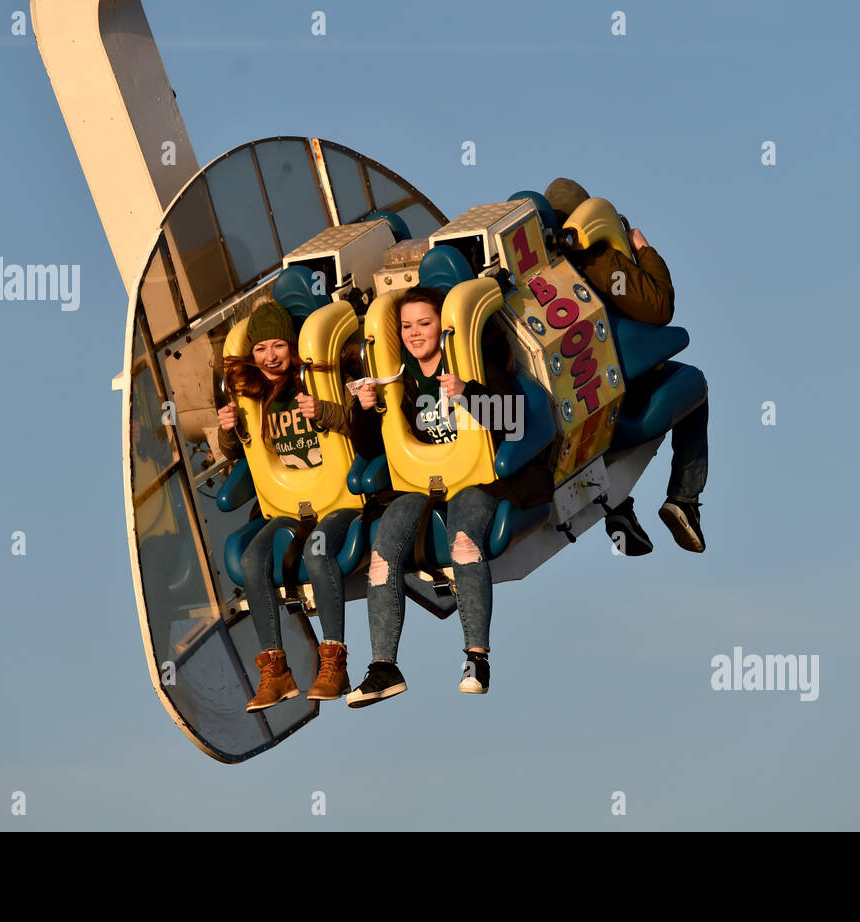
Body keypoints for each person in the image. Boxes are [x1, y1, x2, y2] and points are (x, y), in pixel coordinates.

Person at [345, 286, 552, 707]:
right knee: (383, 553)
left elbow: (513, 419)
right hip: (422, 482)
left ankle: (477, 658)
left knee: (463, 540)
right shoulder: (399, 377)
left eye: (425, 323)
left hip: (477, 479)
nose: (415, 334)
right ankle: (384, 668)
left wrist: (467, 393)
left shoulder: (473, 360)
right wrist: (365, 409)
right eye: (406, 326)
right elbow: (370, 449)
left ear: (443, 326)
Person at [216, 300, 376, 710]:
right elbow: (243, 454)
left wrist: (326, 411)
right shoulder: (254, 397)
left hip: (340, 500)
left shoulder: (321, 381)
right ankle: (276, 671)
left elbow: (365, 431)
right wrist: (229, 434)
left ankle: (334, 660)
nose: (270, 358)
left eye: (277, 347)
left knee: (318, 550)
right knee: (253, 560)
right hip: (289, 503)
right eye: (260, 350)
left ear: (292, 346)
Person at [545, 177, 708, 554]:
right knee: (693, 386)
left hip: (568, 408)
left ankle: (619, 512)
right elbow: (657, 306)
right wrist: (643, 248)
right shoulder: (597, 258)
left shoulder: (537, 275)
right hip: (620, 397)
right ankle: (683, 499)